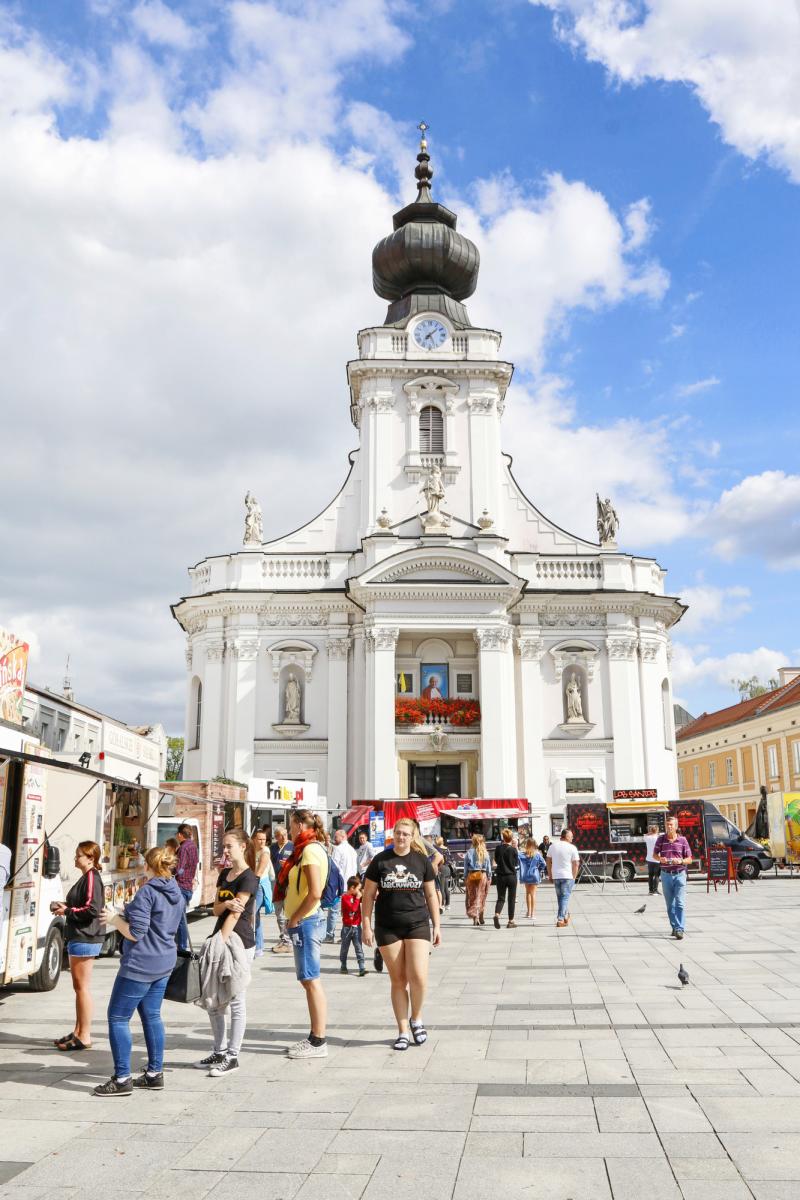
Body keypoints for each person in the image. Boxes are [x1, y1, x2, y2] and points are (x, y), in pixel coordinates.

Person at [92, 845, 183, 1095]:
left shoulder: (147, 892)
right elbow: (157, 921)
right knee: (152, 1015)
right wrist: (127, 912)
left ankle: (122, 1079)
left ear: (149, 866)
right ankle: (154, 1074)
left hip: (141, 964)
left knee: (118, 1017)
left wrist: (114, 919)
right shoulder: (175, 889)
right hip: (164, 961)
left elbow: (136, 933)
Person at [362, 817, 440, 1051]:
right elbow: (368, 895)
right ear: (393, 834)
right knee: (398, 980)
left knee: (419, 977)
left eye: (406, 833)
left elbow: (431, 895)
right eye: (398, 833)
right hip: (387, 926)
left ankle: (416, 1018)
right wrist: (366, 924)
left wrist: (437, 925)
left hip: (417, 924)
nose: (401, 837)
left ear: (412, 836)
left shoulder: (421, 861)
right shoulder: (380, 860)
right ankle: (403, 1030)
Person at [194, 828, 259, 1076]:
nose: (226, 850)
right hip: (219, 938)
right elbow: (216, 909)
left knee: (236, 1000)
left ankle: (233, 1056)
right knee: (214, 1000)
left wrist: (218, 942)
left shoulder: (249, 878)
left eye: (229, 846)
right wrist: (225, 904)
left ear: (243, 846)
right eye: (224, 846)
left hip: (239, 943)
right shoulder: (224, 874)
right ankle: (219, 1051)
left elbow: (235, 914)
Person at [276, 808, 330, 1059]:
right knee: (308, 979)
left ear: (299, 825)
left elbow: (315, 892)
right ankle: (315, 1037)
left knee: (311, 979)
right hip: (306, 920)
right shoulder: (310, 848)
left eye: (290, 825)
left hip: (306, 921)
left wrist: (295, 917)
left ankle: (318, 1041)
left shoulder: (309, 850)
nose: (289, 830)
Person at [52, 841, 104, 1052]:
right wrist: (67, 907)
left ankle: (84, 1035)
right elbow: (84, 906)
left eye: (78, 855)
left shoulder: (92, 877)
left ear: (91, 858)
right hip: (81, 936)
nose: (75, 858)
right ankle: (78, 1031)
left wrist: (67, 911)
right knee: (79, 988)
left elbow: (92, 909)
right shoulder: (87, 877)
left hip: (85, 936)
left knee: (82, 988)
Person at [653, 815, 693, 939]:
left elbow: (690, 859)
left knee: (680, 903)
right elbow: (654, 855)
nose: (669, 827)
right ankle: (674, 927)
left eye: (671, 825)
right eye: (667, 825)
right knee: (670, 905)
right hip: (666, 875)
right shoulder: (661, 839)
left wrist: (680, 861)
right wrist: (660, 858)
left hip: (680, 874)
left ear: (676, 826)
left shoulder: (683, 840)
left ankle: (679, 929)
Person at [327, 830, 357, 942]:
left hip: (340, 886)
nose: (334, 839)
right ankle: (345, 936)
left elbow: (334, 869)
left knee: (333, 911)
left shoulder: (338, 849)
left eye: (336, 837)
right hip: (351, 886)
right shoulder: (352, 850)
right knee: (347, 913)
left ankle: (329, 935)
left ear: (343, 836)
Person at [547, 828, 580, 928]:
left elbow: (548, 861)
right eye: (571, 836)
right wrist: (574, 877)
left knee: (560, 898)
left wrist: (550, 874)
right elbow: (576, 864)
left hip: (556, 876)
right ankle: (560, 919)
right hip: (567, 876)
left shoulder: (553, 846)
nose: (572, 838)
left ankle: (565, 915)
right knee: (565, 898)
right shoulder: (572, 848)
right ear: (566, 836)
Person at [174, 823, 198, 953]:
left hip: (181, 886)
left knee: (180, 919)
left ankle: (182, 947)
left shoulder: (183, 848)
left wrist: (170, 870)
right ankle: (180, 946)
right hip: (188, 886)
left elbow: (179, 869)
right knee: (180, 918)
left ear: (180, 835)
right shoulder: (193, 846)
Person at [270, 826, 294, 955]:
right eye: (280, 835)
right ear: (276, 837)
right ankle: (284, 938)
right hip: (276, 883)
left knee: (288, 912)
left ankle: (288, 941)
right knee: (278, 913)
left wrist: (288, 865)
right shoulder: (272, 848)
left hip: (289, 884)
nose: (284, 837)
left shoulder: (293, 846)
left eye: (285, 834)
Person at [252, 828, 275, 957]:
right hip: (254, 884)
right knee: (255, 916)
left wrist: (249, 886)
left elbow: (259, 872)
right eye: (259, 839)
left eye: (264, 839)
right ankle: (258, 947)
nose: (262, 842)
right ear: (254, 839)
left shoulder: (265, 851)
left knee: (251, 915)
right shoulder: (251, 850)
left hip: (259, 885)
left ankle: (255, 946)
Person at [340, 876, 367, 976]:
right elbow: (353, 909)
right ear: (352, 888)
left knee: (359, 948)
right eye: (358, 889)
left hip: (357, 927)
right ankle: (343, 964)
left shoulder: (357, 896)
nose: (358, 891)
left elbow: (366, 900)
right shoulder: (345, 897)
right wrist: (358, 898)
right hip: (347, 928)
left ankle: (362, 967)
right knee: (344, 948)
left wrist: (363, 894)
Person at [493, 829, 520, 929]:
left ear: (503, 838)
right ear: (511, 838)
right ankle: (510, 921)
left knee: (501, 898)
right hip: (511, 876)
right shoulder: (513, 849)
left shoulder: (498, 848)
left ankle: (497, 914)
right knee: (511, 899)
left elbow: (496, 860)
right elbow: (516, 863)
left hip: (500, 876)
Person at [464, 833, 492, 926]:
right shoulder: (485, 852)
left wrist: (465, 877)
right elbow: (488, 867)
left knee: (473, 896)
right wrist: (489, 876)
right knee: (482, 896)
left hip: (472, 875)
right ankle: (481, 916)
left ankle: (475, 918)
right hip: (482, 875)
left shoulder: (469, 852)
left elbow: (465, 867)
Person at [518, 837, 547, 922]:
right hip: (534, 875)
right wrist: (538, 869)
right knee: (533, 894)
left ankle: (528, 912)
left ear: (527, 845)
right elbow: (544, 864)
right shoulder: (537, 854)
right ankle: (533, 914)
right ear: (534, 845)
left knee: (527, 893)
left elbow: (517, 859)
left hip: (526, 875)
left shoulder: (522, 854)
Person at [434, 836, 452, 912]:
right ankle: (448, 904)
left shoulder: (438, 849)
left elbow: (441, 860)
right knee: (446, 888)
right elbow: (451, 859)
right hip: (448, 868)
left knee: (441, 888)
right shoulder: (447, 849)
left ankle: (442, 904)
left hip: (442, 868)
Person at [644, 823, 662, 895]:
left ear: (651, 830)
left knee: (650, 875)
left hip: (649, 858)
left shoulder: (647, 837)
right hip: (657, 858)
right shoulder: (658, 838)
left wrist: (650, 832)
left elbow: (645, 835)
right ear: (657, 830)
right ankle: (655, 890)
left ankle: (650, 890)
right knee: (657, 875)